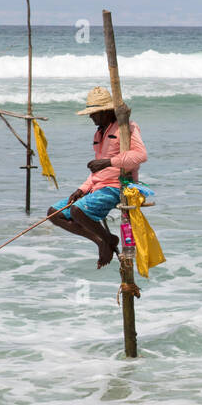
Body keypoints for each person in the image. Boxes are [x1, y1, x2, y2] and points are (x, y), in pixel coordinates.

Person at [47, 86, 147, 269]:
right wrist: (82, 189)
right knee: (54, 213)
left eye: (94, 113)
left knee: (78, 211)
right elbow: (97, 172)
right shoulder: (99, 133)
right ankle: (104, 240)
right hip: (98, 186)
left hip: (118, 186)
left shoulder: (127, 128)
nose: (91, 117)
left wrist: (109, 162)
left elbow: (140, 156)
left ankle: (105, 242)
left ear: (107, 111)